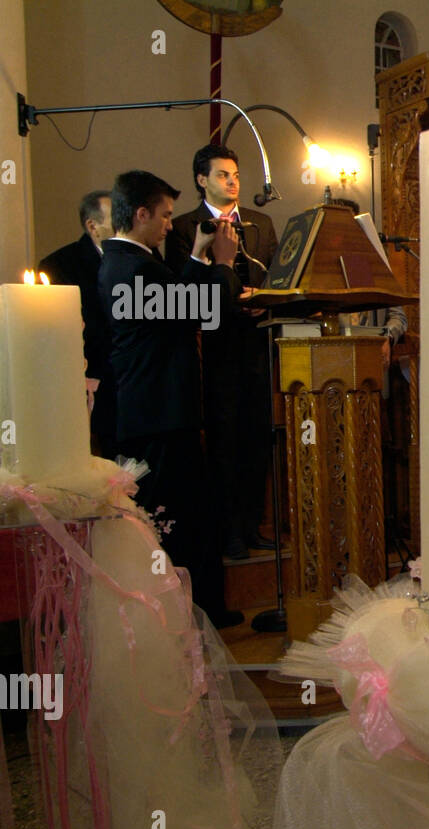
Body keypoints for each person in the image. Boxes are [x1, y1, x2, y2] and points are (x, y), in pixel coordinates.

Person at [102, 169, 244, 629]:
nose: (169, 224)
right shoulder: (133, 268)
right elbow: (204, 311)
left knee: (184, 519)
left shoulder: (130, 263)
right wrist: (223, 262)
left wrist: (200, 258)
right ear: (140, 214)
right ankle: (191, 618)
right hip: (159, 417)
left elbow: (178, 303)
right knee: (180, 525)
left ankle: (196, 614)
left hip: (155, 414)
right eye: (163, 216)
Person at [165, 144, 279, 560]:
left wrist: (266, 298)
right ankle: (228, 530)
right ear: (202, 180)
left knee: (257, 436)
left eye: (235, 175)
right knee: (224, 440)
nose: (232, 182)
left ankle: (254, 525)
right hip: (214, 348)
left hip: (258, 342)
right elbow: (184, 291)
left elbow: (280, 274)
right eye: (222, 175)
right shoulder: (183, 228)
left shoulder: (261, 223)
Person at [39, 190, 117, 458]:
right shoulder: (60, 265)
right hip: (91, 378)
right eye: (116, 218)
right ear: (92, 225)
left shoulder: (139, 258)